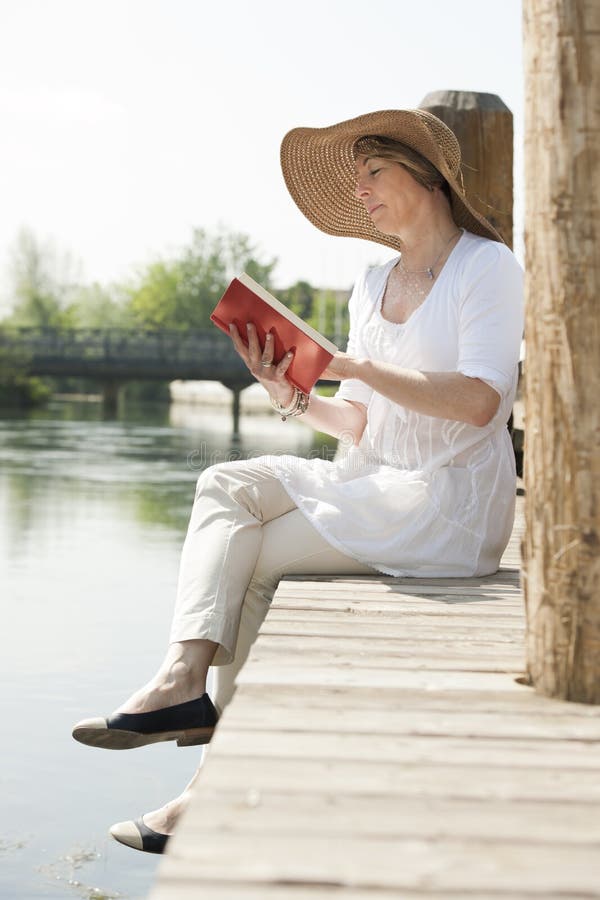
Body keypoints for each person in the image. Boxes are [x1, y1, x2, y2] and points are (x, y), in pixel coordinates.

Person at [72, 108, 524, 854]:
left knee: (255, 560)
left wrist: (354, 365)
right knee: (225, 486)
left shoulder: (487, 266)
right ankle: (182, 680)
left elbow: (479, 402)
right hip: (372, 483)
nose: (360, 191)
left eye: (372, 173)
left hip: (448, 503)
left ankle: (204, 788)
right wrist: (289, 392)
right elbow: (358, 423)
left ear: (427, 177)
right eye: (357, 179)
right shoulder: (371, 283)